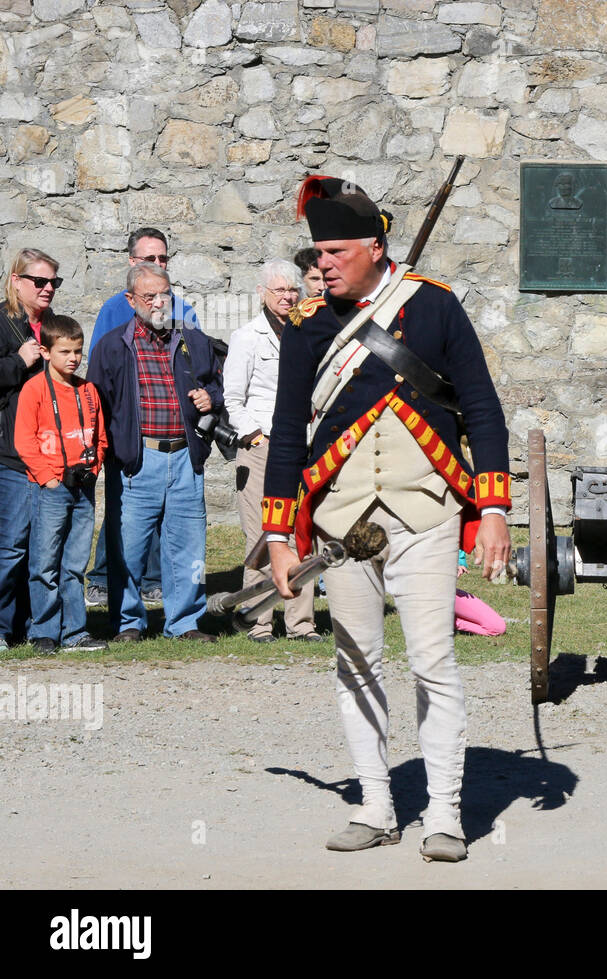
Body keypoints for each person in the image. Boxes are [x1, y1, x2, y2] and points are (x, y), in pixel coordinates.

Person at [263, 176, 512, 862]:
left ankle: (445, 812)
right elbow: (289, 434)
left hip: (426, 512)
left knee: (434, 661)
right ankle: (376, 803)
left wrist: (491, 507)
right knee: (356, 663)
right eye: (318, 254)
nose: (323, 264)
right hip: (341, 522)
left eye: (337, 250)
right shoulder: (309, 325)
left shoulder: (435, 308)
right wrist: (282, 537)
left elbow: (483, 410)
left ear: (376, 245)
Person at [88, 262, 224, 643]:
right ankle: (128, 623)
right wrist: (118, 453)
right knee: (127, 547)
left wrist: (209, 398)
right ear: (131, 300)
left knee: (187, 545)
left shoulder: (193, 341)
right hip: (137, 461)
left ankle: (184, 622)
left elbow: (218, 388)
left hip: (184, 457)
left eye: (165, 293)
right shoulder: (113, 345)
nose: (160, 302)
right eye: (150, 296)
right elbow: (98, 402)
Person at [85, 227, 195, 606]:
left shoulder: (181, 309)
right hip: (132, 439)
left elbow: (195, 364)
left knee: (171, 520)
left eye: (163, 259)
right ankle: (105, 581)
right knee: (126, 521)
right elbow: (103, 376)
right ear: (133, 262)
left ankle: (158, 583)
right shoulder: (115, 309)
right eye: (150, 259)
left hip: (176, 441)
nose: (158, 264)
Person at [224, 259, 319, 643]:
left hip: (303, 446)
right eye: (278, 290)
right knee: (262, 536)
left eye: (292, 289)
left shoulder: (309, 333)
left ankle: (301, 624)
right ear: (263, 294)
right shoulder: (248, 336)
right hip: (264, 448)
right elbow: (232, 398)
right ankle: (259, 621)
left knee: (302, 532)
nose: (287, 296)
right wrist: (255, 437)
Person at [13, 315, 108, 654]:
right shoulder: (34, 389)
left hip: (83, 488)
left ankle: (75, 633)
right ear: (46, 351)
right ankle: (44, 632)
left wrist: (93, 467)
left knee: (74, 565)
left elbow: (100, 438)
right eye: (65, 351)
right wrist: (49, 479)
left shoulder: (88, 390)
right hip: (50, 489)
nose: (72, 358)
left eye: (78, 352)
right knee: (44, 565)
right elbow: (24, 441)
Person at [0, 248, 59, 651]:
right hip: (10, 453)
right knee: (10, 547)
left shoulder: (53, 326)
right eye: (40, 281)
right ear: (17, 280)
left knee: (44, 548)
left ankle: (31, 626)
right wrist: (17, 362)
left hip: (50, 453)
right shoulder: (3, 324)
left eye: (54, 281)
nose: (48, 288)